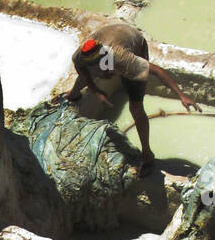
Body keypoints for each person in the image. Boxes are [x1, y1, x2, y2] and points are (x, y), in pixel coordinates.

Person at [66, 19, 200, 174]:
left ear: (105, 60)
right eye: (94, 69)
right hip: (111, 33)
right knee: (83, 78)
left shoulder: (123, 59)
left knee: (136, 107)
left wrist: (181, 96)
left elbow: (157, 71)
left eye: (101, 67)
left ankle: (147, 155)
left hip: (134, 41)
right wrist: (96, 90)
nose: (99, 73)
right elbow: (81, 69)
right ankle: (73, 95)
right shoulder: (79, 57)